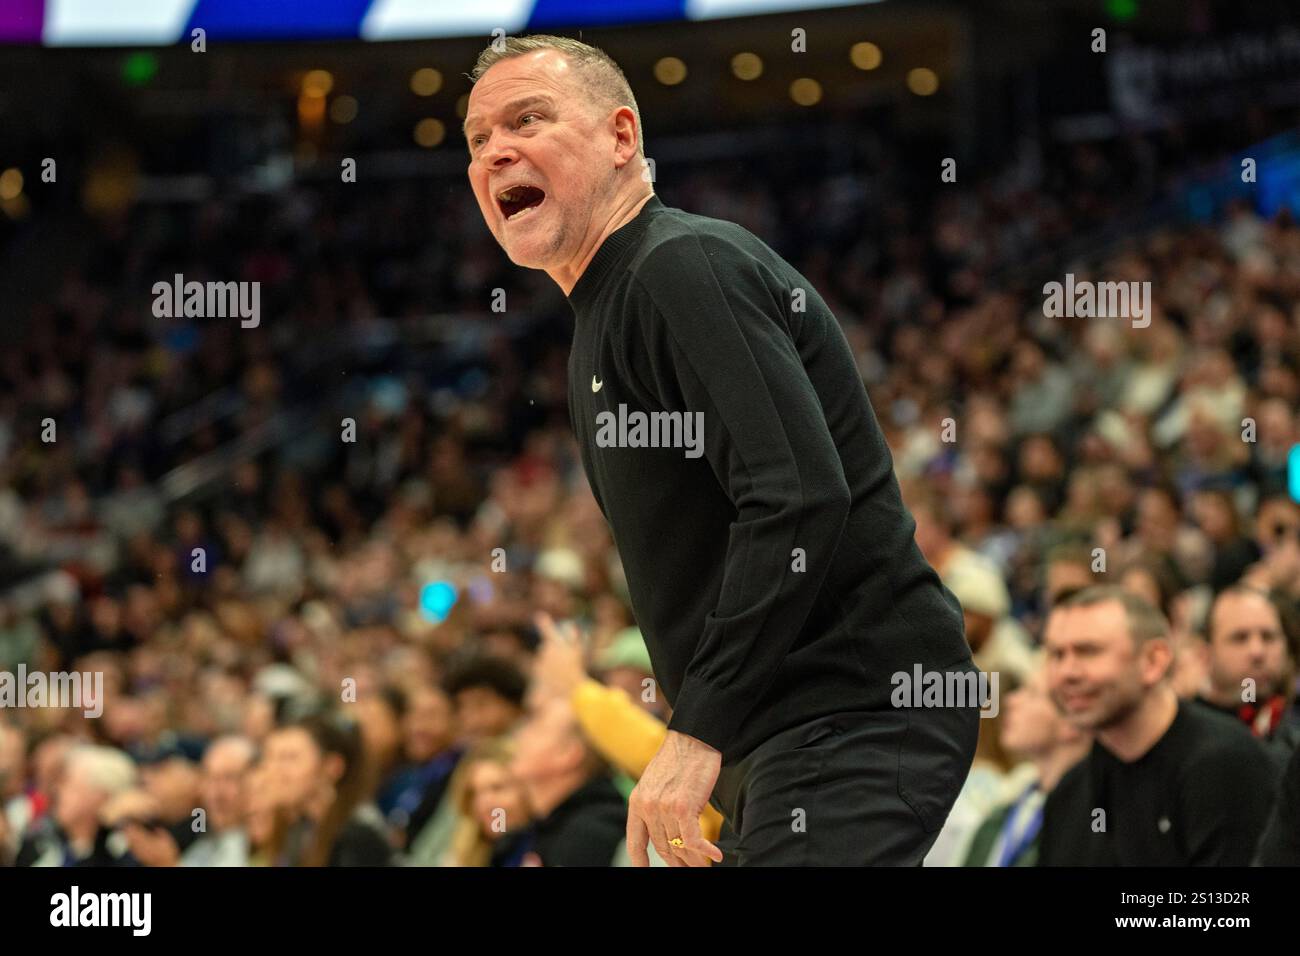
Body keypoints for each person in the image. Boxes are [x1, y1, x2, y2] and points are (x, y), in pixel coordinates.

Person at [464, 33, 977, 866]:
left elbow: (800, 495)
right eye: (479, 140)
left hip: (853, 713)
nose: (497, 151)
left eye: (529, 118)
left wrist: (695, 731)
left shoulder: (680, 266)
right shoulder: (605, 313)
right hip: (789, 736)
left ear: (622, 137)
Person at [1038, 586, 1277, 865]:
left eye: (1088, 651)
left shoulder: (1225, 764)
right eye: (1056, 655)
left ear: (1153, 661)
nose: (1067, 672)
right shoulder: (1069, 793)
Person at [962, 664, 1090, 866]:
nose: (1011, 701)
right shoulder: (1006, 811)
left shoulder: (1090, 824)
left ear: (1071, 722)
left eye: (1032, 693)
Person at [263, 713, 392, 867]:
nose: (273, 770)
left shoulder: (357, 837)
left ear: (332, 767)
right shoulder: (299, 827)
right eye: (270, 757)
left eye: (290, 758)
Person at [509, 697, 626, 867]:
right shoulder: (542, 826)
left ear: (568, 754)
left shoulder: (590, 836)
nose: (520, 735)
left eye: (537, 729)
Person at [1193, 584, 1300, 767]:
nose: (1257, 652)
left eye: (1268, 637)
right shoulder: (1187, 735)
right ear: (1206, 655)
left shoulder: (1293, 734)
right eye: (1240, 638)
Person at [442, 738, 534, 867]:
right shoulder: (466, 852)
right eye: (474, 793)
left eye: (497, 788)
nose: (485, 804)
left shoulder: (547, 846)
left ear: (526, 787)